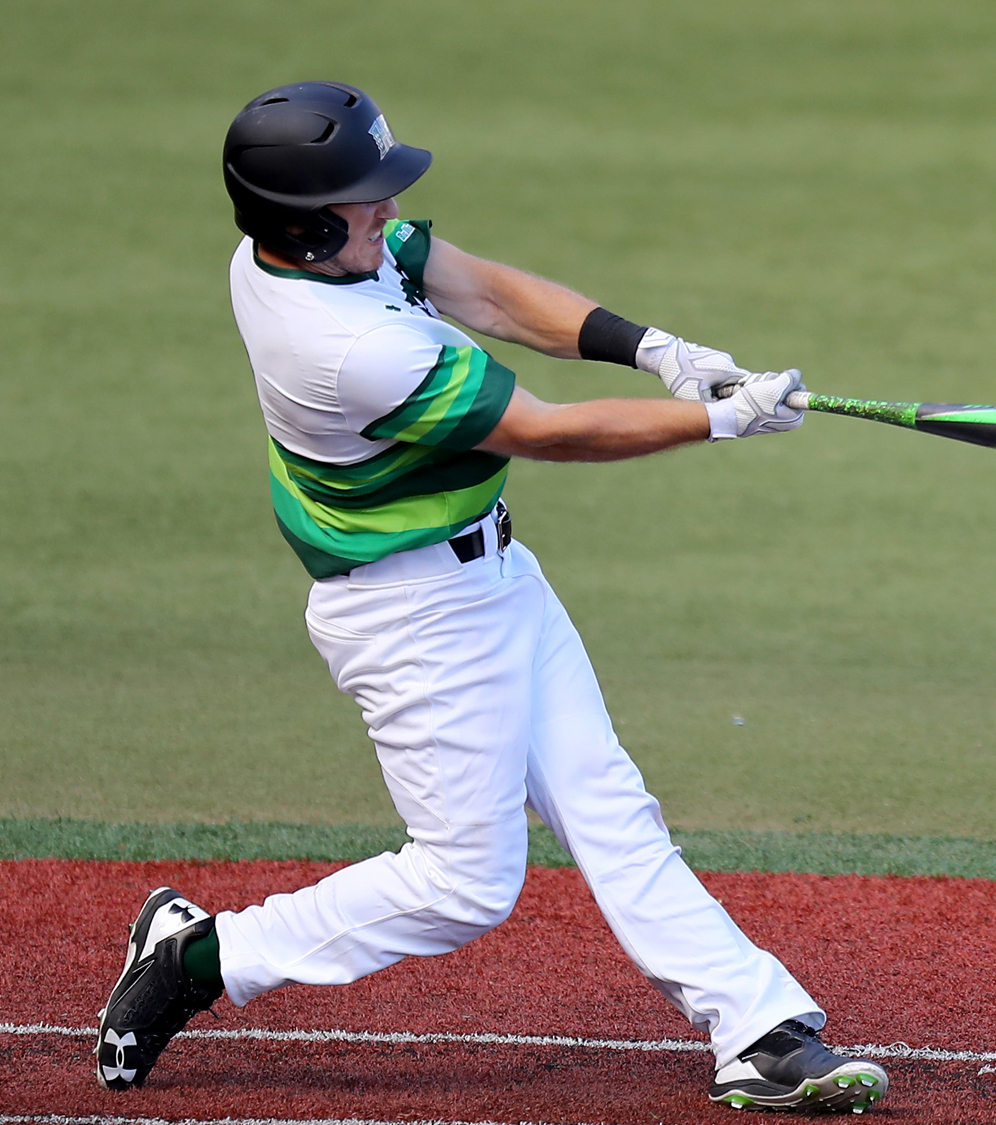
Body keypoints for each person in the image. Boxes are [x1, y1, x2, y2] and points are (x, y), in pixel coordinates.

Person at [90, 81, 887, 1115]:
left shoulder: (313, 250)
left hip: (492, 578)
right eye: (366, 198)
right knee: (464, 885)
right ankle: (200, 957)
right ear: (307, 221)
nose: (388, 212)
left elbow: (491, 294)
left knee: (608, 807)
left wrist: (656, 352)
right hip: (411, 619)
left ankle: (758, 1029)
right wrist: (720, 425)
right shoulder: (351, 348)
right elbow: (547, 433)